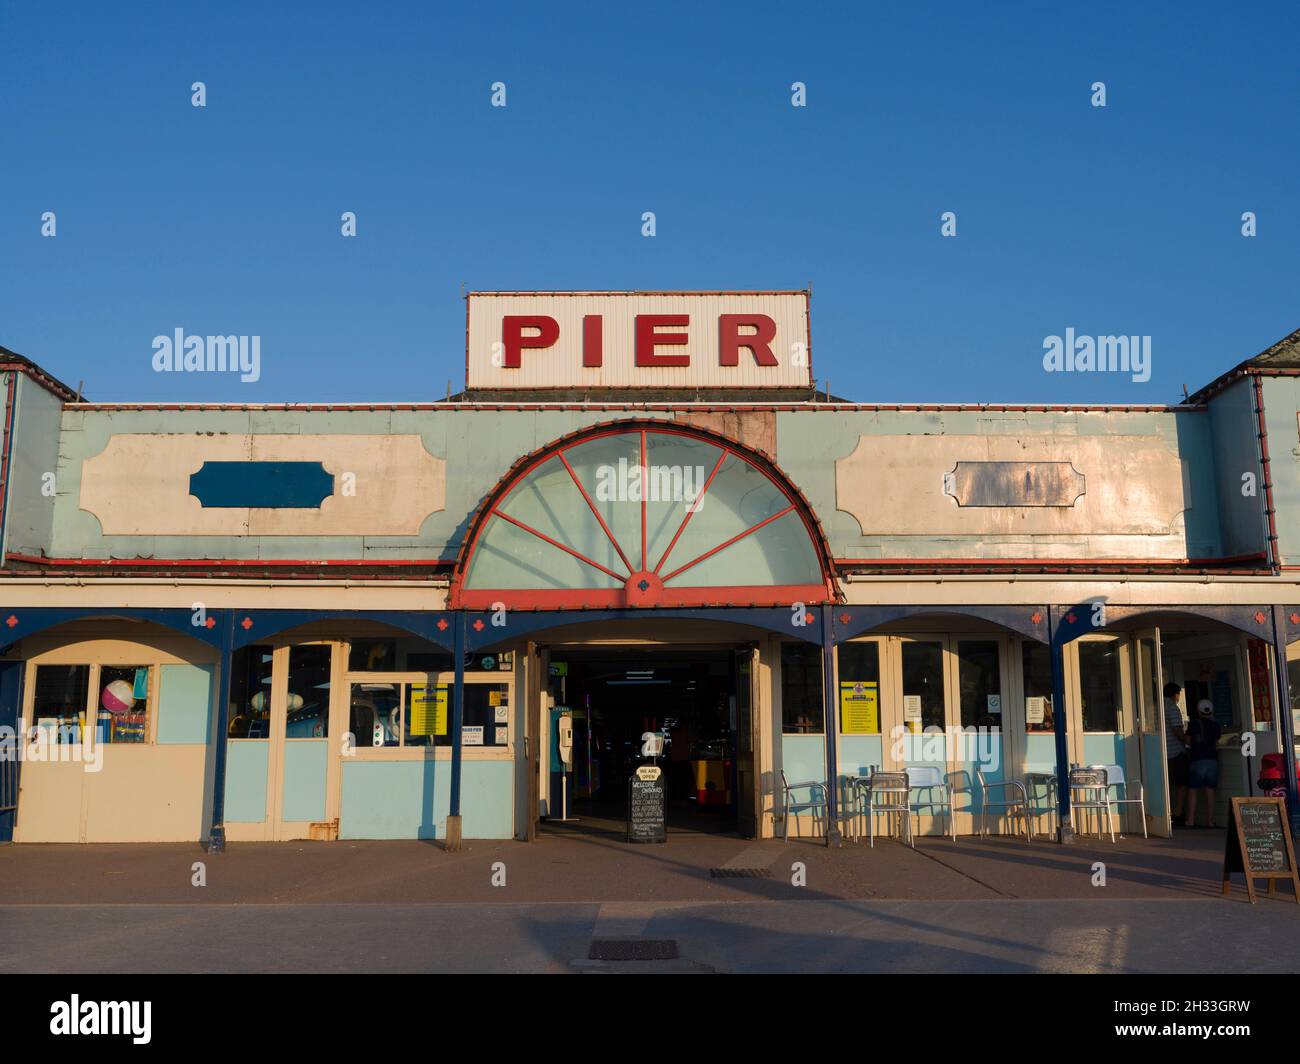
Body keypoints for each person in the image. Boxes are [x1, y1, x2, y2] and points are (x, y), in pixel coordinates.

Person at [1185, 699, 1221, 828]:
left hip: (1198, 759)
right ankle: (1210, 821)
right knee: (1210, 790)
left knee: (1193, 790)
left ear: (1199, 711)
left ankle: (1191, 820)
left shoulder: (1194, 724)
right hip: (1212, 759)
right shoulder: (1216, 725)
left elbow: (1188, 740)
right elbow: (1217, 741)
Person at [1163, 681, 1190, 826]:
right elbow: (1177, 731)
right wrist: (1189, 741)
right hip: (1175, 752)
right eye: (1179, 694)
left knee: (1167, 785)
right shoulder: (1173, 708)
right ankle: (1178, 813)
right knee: (1181, 784)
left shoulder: (1157, 708)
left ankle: (1166, 812)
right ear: (1175, 694)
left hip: (1162, 752)